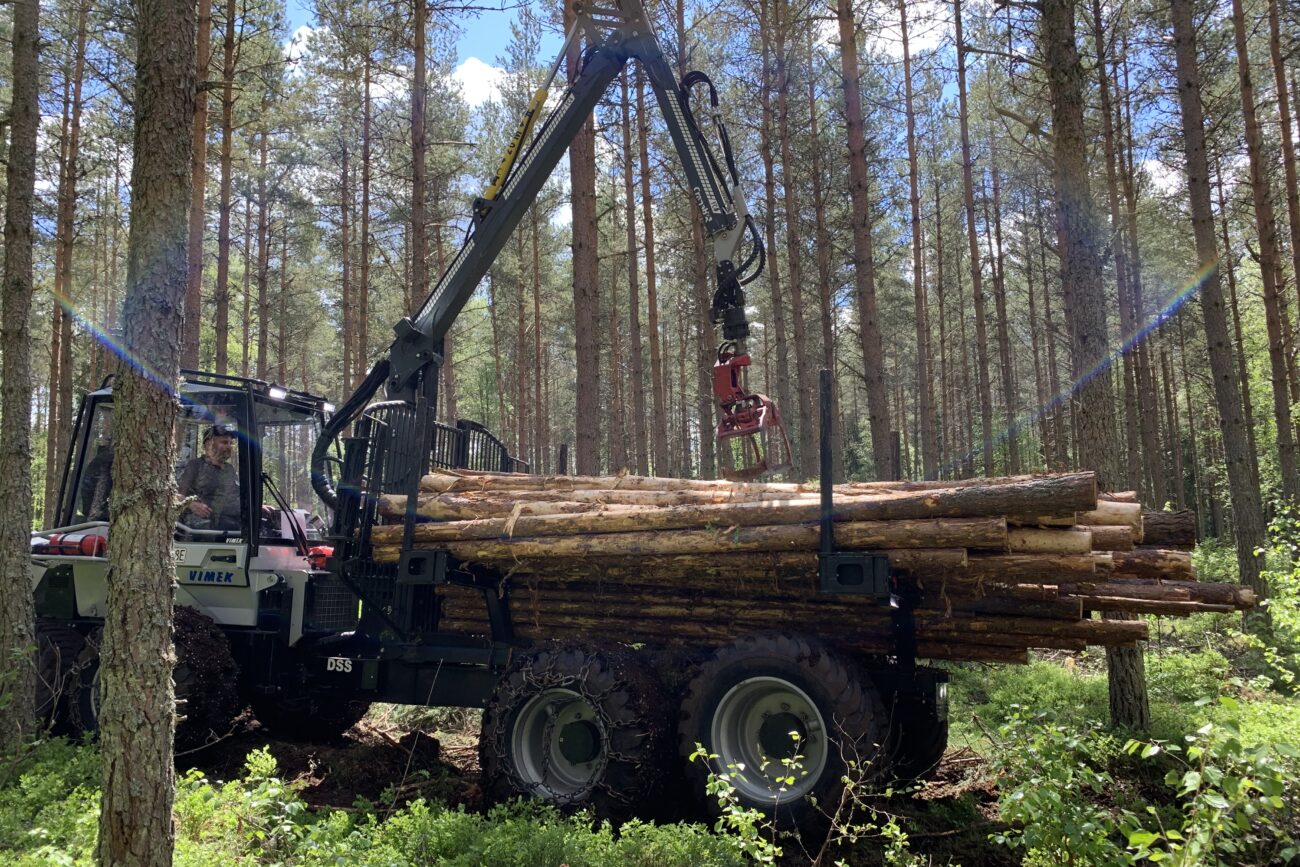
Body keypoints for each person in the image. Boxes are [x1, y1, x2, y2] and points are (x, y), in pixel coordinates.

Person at [179, 424, 241, 532]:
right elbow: (175, 496)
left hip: (233, 523)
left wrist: (256, 507)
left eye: (231, 443)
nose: (229, 446)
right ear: (209, 444)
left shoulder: (229, 469)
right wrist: (191, 504)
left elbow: (237, 496)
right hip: (205, 529)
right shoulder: (195, 466)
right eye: (224, 442)